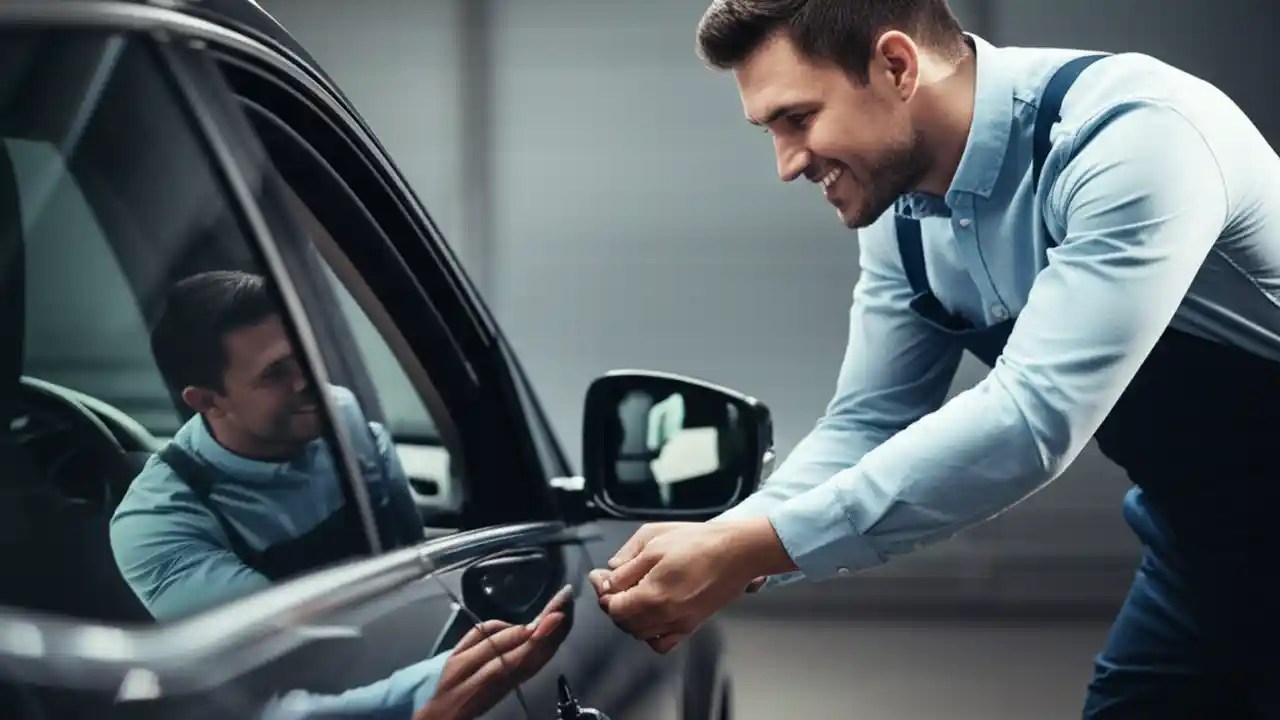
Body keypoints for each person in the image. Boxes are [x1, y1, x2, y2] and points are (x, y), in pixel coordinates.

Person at [589, 1, 1280, 717]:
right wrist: (728, 541)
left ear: (896, 65)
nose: (787, 164)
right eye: (770, 130)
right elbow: (868, 422)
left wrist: (755, 548)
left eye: (798, 118)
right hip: (1206, 545)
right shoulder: (904, 214)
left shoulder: (1132, 137)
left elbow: (1029, 418)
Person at [110, 270, 566, 719]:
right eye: (276, 373)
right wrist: (436, 687)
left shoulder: (343, 418)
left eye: (306, 352)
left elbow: (413, 566)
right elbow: (273, 674)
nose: (310, 379)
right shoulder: (157, 525)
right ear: (207, 401)